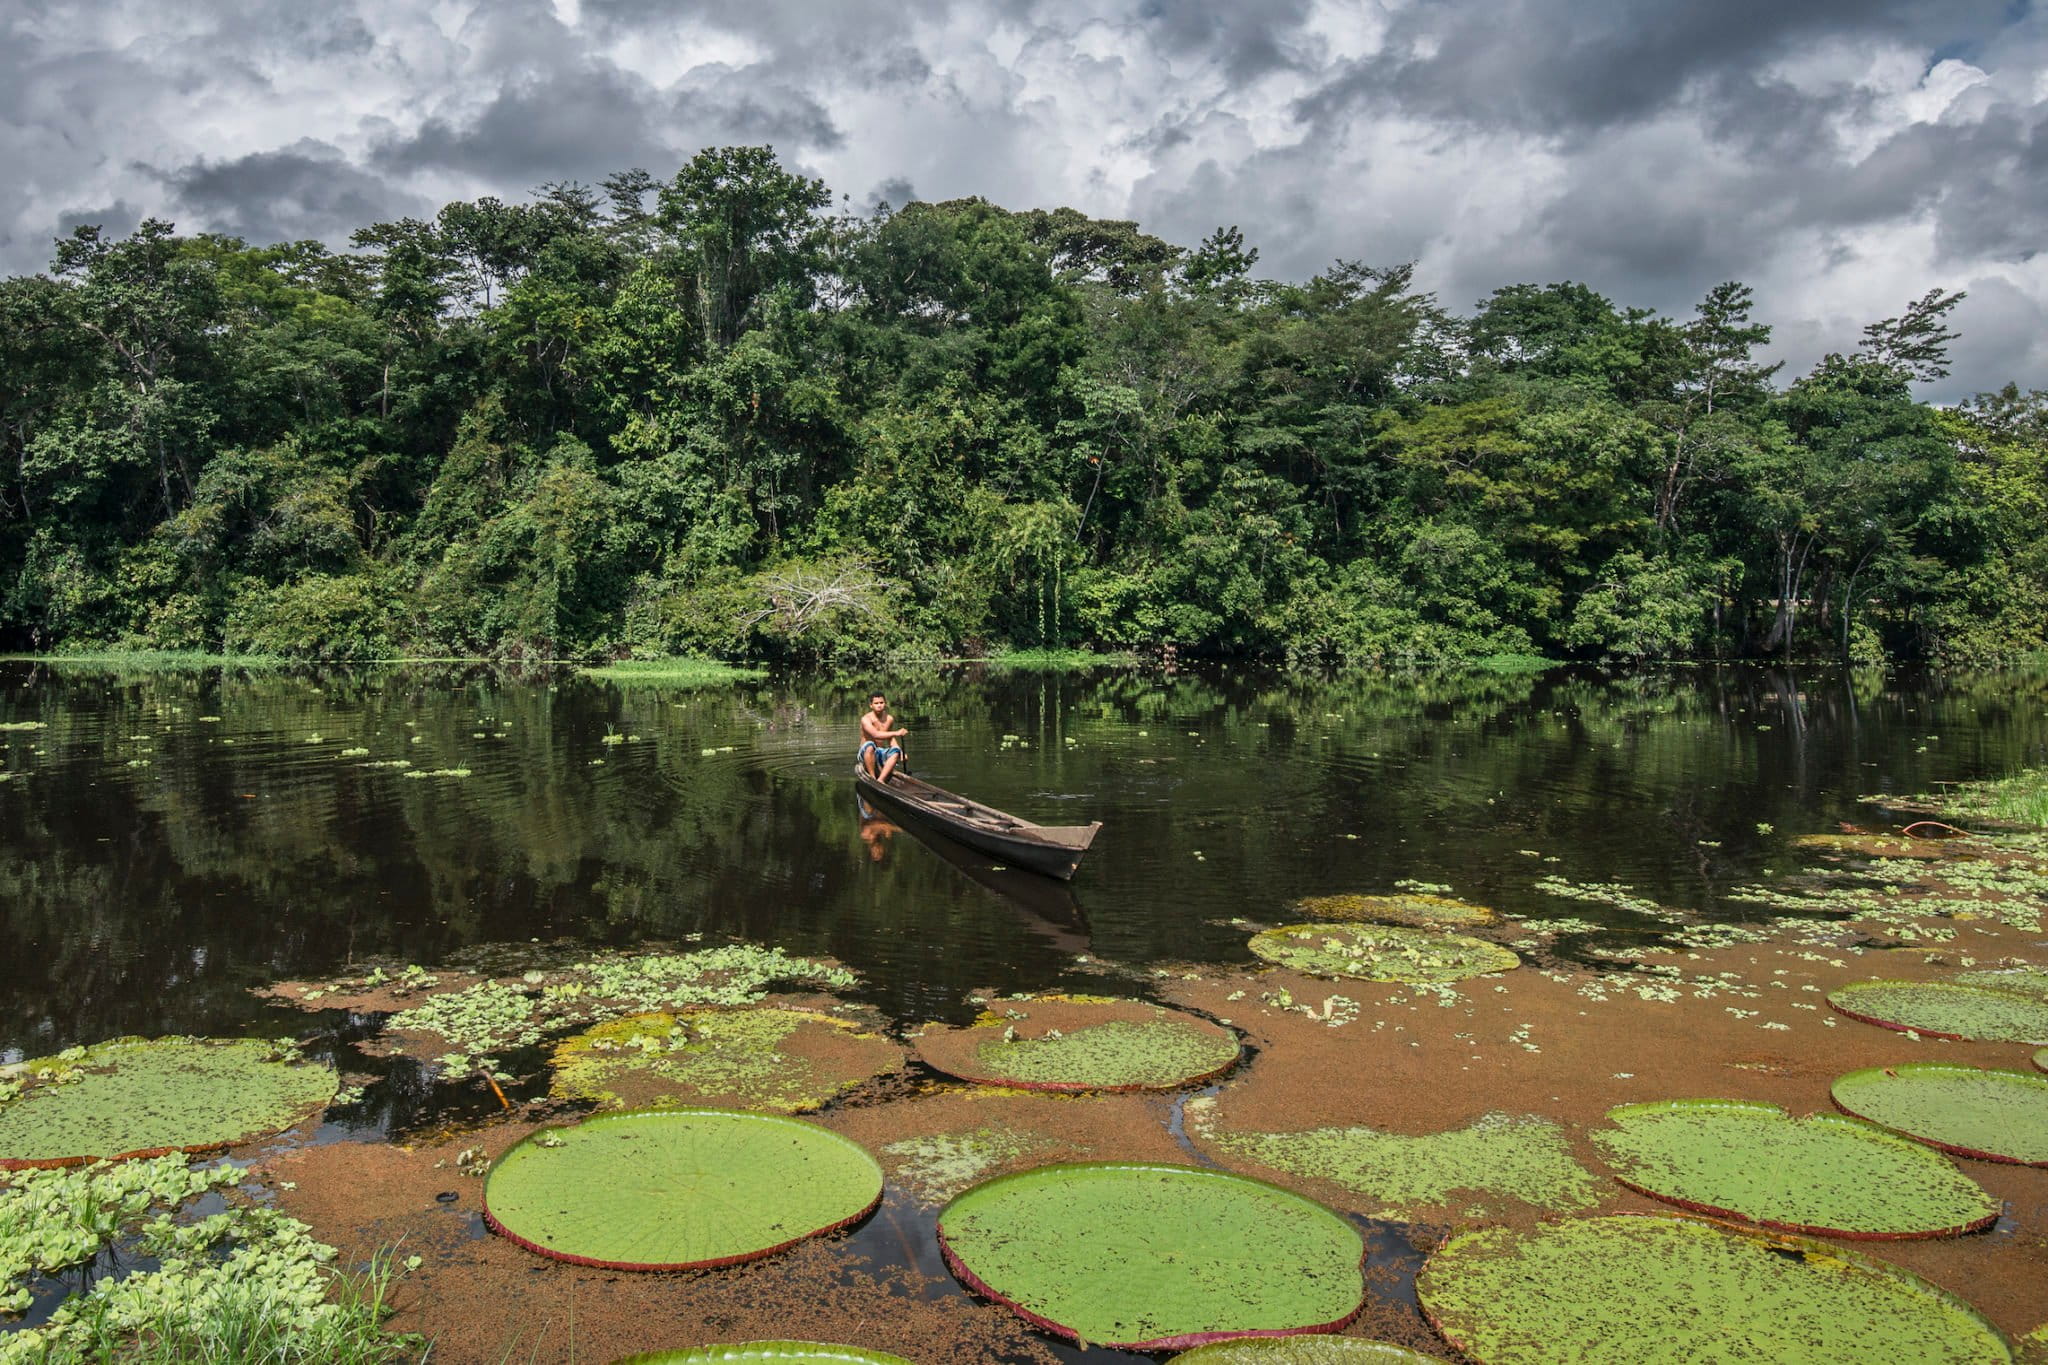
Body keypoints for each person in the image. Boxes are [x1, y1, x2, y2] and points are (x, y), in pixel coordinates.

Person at [858, 691, 908, 783]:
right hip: (866, 752)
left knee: (896, 750)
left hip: (880, 752)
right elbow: (876, 735)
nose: (879, 705)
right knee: (870, 745)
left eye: (881, 703)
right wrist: (896, 733)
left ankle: (881, 780)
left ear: (885, 704)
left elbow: (890, 738)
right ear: (871, 705)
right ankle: (872, 779)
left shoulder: (889, 719)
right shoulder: (866, 719)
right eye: (876, 703)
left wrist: (901, 752)